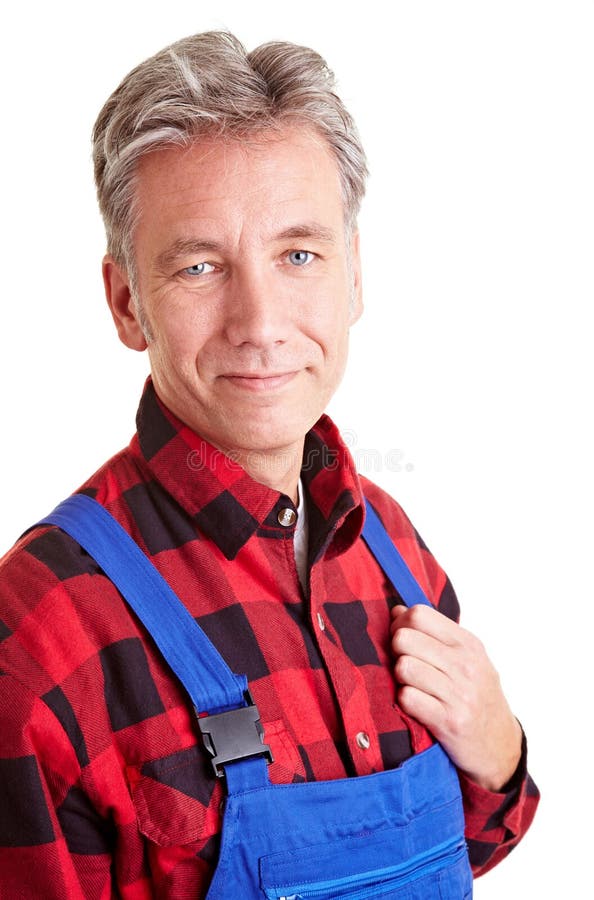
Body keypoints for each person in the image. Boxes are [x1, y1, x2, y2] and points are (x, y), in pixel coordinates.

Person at [0, 30, 539, 898]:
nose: (260, 320)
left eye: (298, 255)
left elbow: (469, 844)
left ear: (354, 275)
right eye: (200, 265)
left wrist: (501, 747)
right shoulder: (44, 632)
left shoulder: (390, 550)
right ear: (125, 300)